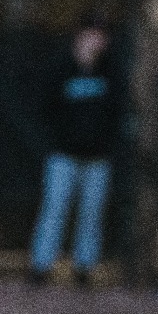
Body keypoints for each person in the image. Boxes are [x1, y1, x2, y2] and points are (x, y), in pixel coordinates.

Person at [28, 18, 121, 287]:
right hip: (64, 155)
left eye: (101, 35)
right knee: (54, 210)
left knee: (92, 214)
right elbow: (45, 108)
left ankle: (84, 268)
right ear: (80, 36)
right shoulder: (61, 67)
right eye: (93, 34)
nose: (97, 41)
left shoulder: (109, 70)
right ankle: (41, 266)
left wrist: (105, 142)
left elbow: (115, 112)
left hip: (98, 157)